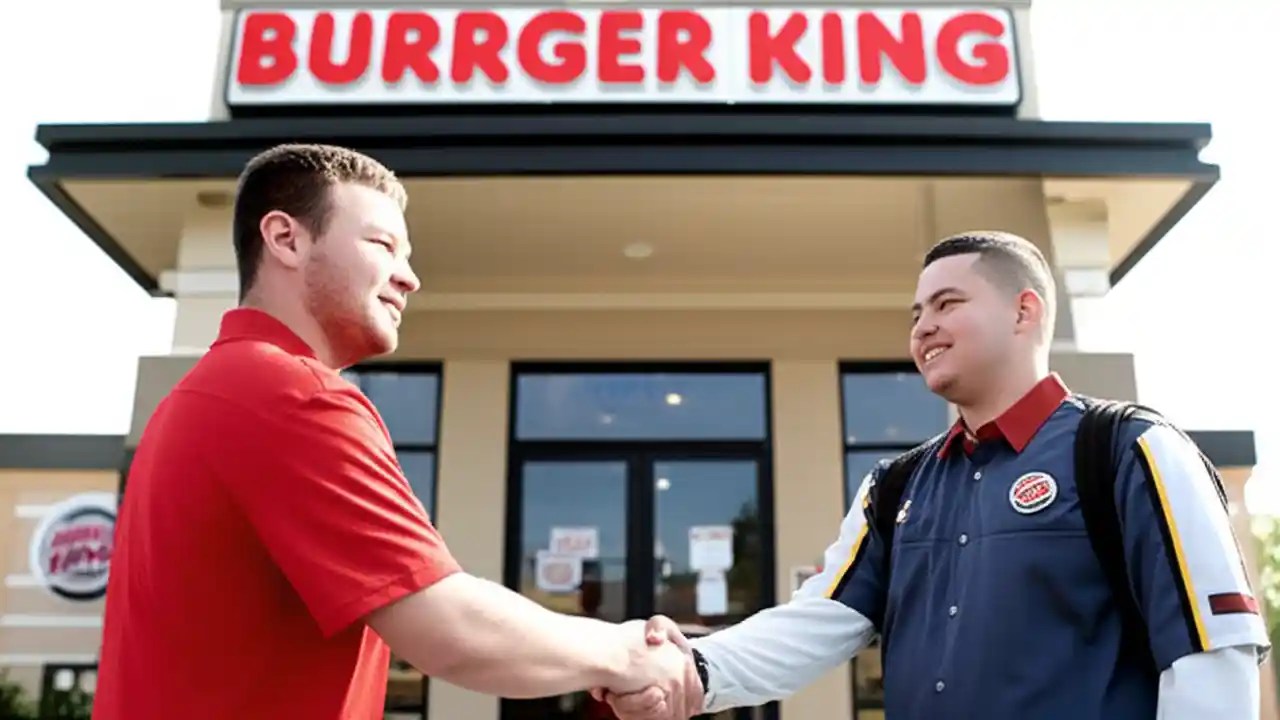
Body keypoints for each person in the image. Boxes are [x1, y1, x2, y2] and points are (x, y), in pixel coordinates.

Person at [92, 143, 694, 719]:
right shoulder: (290, 396)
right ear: (285, 239)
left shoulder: (199, 398)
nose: (409, 278)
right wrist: (626, 654)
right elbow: (449, 628)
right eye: (383, 245)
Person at [602, 231, 1270, 719]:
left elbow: (1212, 661)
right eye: (917, 314)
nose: (924, 328)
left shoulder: (1132, 451)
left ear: (1024, 311)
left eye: (947, 304)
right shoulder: (896, 487)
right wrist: (693, 668)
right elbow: (820, 621)